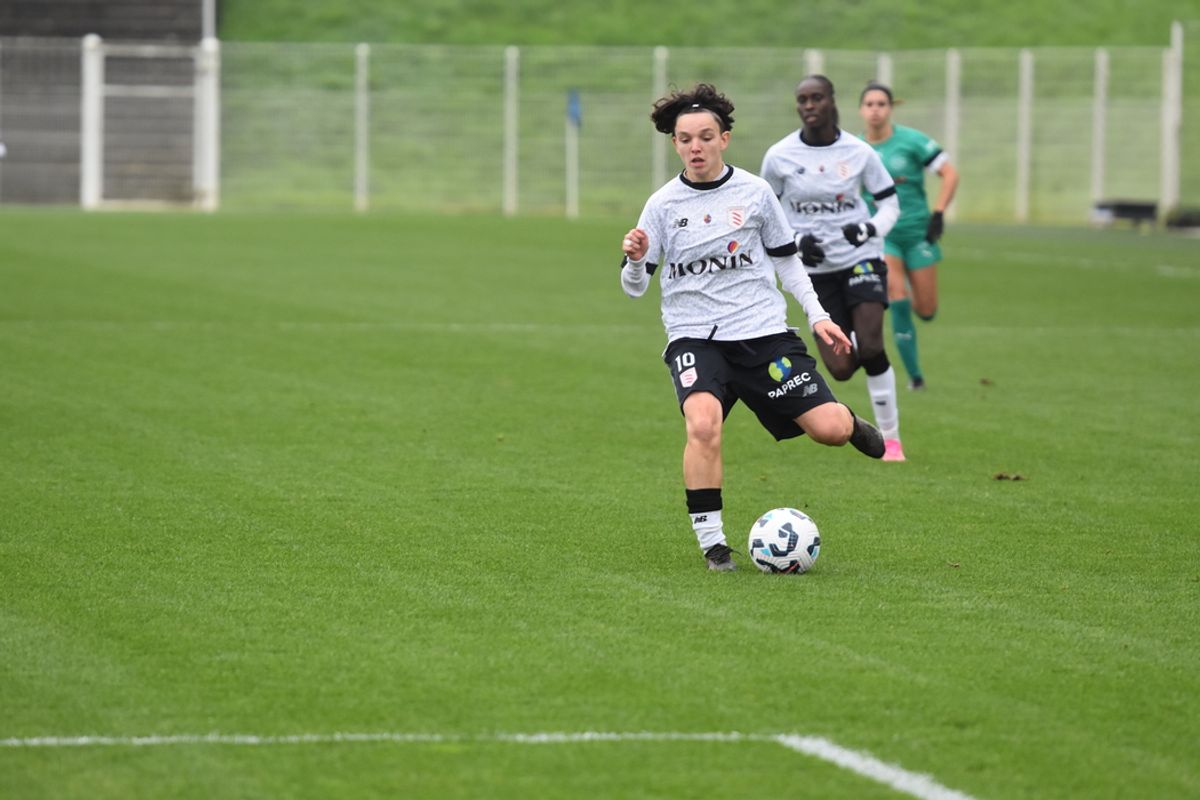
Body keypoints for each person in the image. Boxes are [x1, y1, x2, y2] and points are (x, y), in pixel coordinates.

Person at [619, 82, 886, 573]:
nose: (695, 147)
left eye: (705, 136)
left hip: (763, 335)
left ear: (724, 138)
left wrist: (818, 314)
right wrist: (635, 259)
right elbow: (635, 287)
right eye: (684, 139)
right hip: (695, 337)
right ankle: (713, 544)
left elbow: (788, 263)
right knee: (702, 425)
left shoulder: (756, 193)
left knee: (827, 431)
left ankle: (848, 420)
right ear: (674, 144)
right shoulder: (661, 205)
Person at [760, 74, 907, 462]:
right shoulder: (779, 156)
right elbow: (765, 214)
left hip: (861, 260)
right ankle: (857, 355)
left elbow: (890, 203)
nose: (810, 106)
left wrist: (870, 227)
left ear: (832, 101)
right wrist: (794, 240)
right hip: (815, 273)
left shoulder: (859, 153)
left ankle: (891, 440)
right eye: (803, 99)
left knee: (873, 346)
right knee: (841, 369)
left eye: (817, 98)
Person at [859, 82, 960, 391]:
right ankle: (916, 378)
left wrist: (939, 212)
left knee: (927, 311)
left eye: (881, 104)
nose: (875, 109)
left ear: (890, 108)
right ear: (861, 110)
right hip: (882, 236)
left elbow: (950, 174)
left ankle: (913, 318)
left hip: (917, 232)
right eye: (870, 104)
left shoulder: (912, 141)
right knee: (896, 294)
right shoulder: (854, 149)